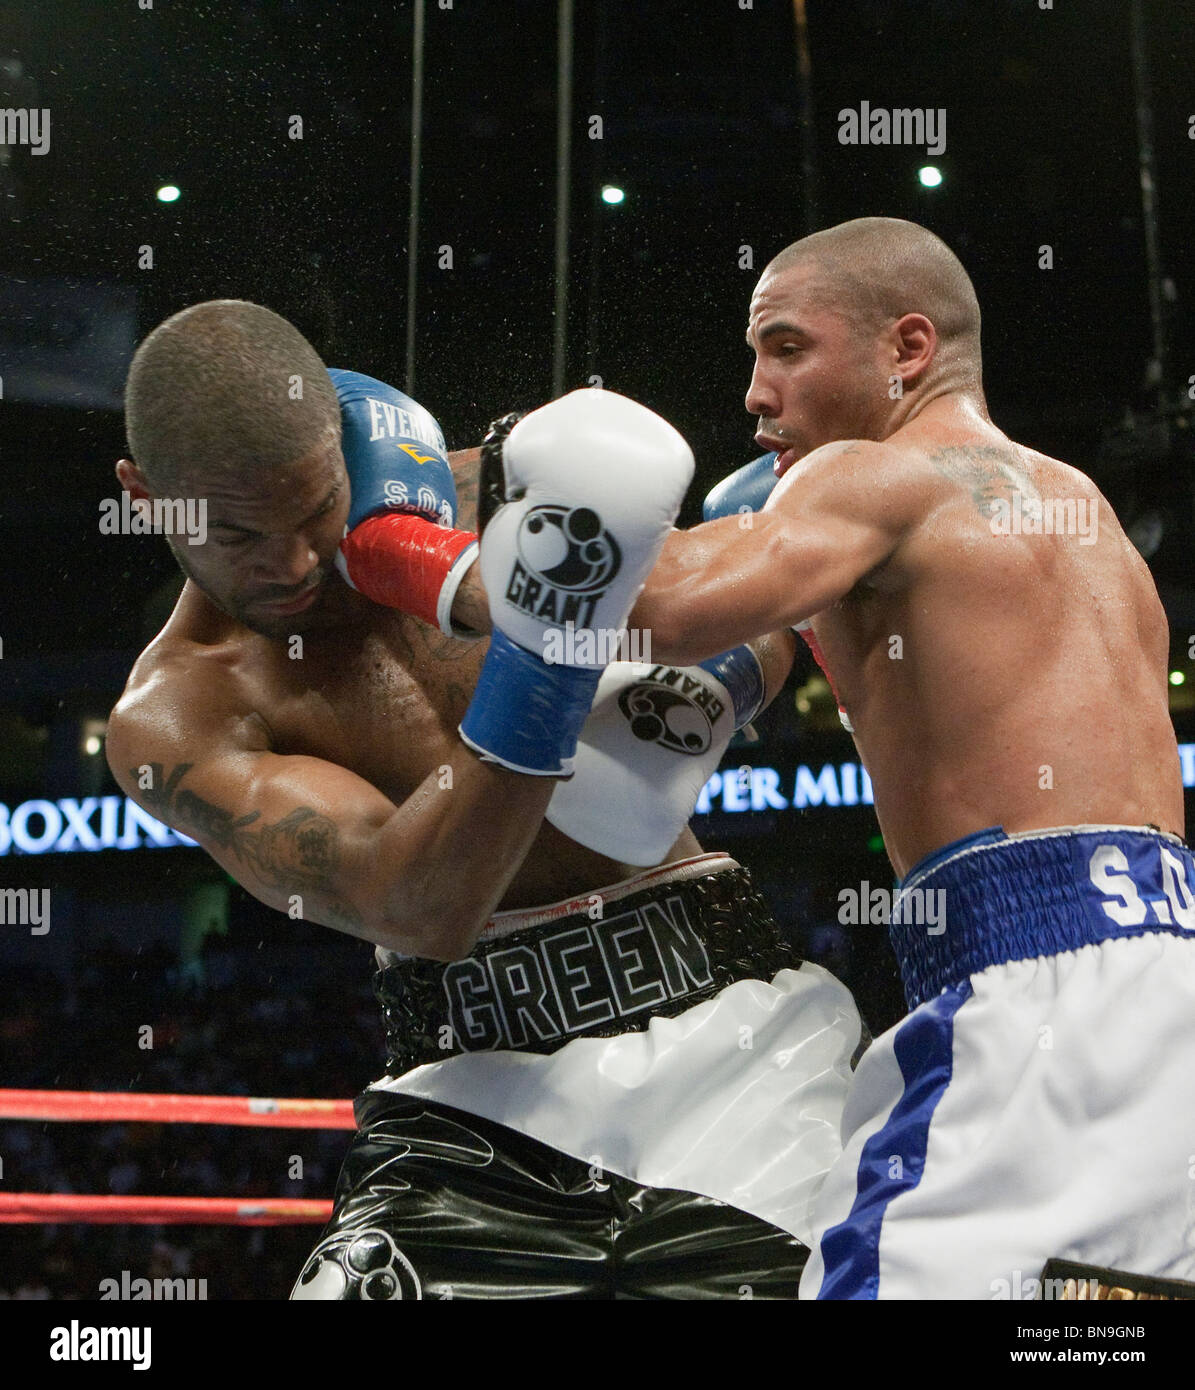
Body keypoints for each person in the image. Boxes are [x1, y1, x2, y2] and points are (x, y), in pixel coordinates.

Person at [106, 300, 862, 1299]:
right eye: (240, 534)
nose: (291, 563)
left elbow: (759, 591)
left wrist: (725, 684)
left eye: (313, 511)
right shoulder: (178, 715)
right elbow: (413, 903)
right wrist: (545, 649)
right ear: (146, 497)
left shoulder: (500, 490)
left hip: (733, 1032)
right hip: (465, 1103)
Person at [622, 217, 1195, 1299]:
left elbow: (659, 608)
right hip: (1171, 967)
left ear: (909, 348)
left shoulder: (867, 480)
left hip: (1027, 983)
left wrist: (422, 544)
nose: (754, 391)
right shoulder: (1088, 507)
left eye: (786, 347)